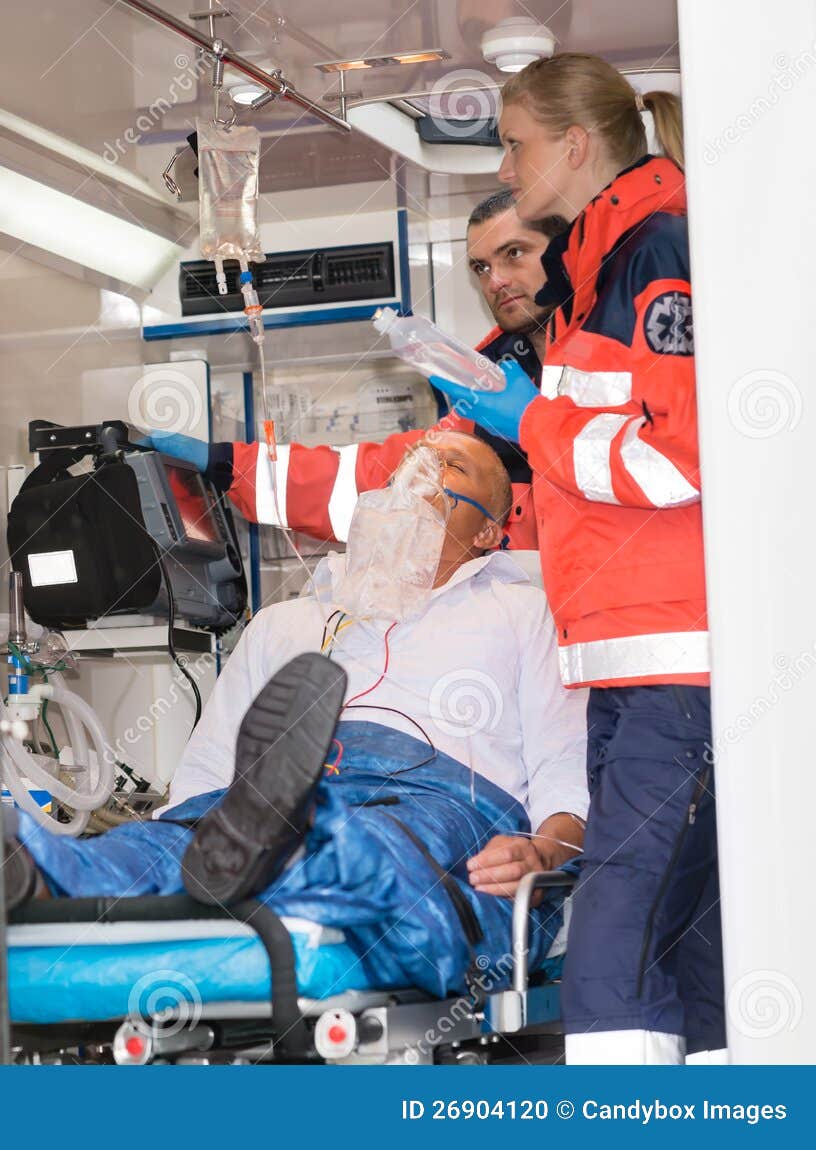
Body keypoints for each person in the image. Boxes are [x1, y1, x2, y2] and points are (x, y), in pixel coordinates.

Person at [425, 54, 712, 1065]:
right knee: (690, 954)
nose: (505, 161)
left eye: (514, 142)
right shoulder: (603, 266)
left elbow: (678, 458)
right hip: (632, 657)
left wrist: (532, 422)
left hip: (669, 655)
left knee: (610, 954)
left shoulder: (652, 253)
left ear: (576, 146)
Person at [168, 431, 587, 892]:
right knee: (124, 858)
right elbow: (205, 773)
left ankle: (288, 864)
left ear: (488, 531)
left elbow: (564, 770)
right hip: (265, 819)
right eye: (413, 459)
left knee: (359, 850)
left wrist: (541, 852)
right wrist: (175, 838)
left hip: (435, 815)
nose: (423, 467)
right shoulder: (281, 625)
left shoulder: (523, 615)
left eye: (452, 465)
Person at [144, 190, 568, 549]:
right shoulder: (480, 392)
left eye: (515, 253)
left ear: (567, 249)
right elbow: (372, 485)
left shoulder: (616, 354)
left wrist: (544, 428)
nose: (496, 281)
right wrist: (227, 464)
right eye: (481, 267)